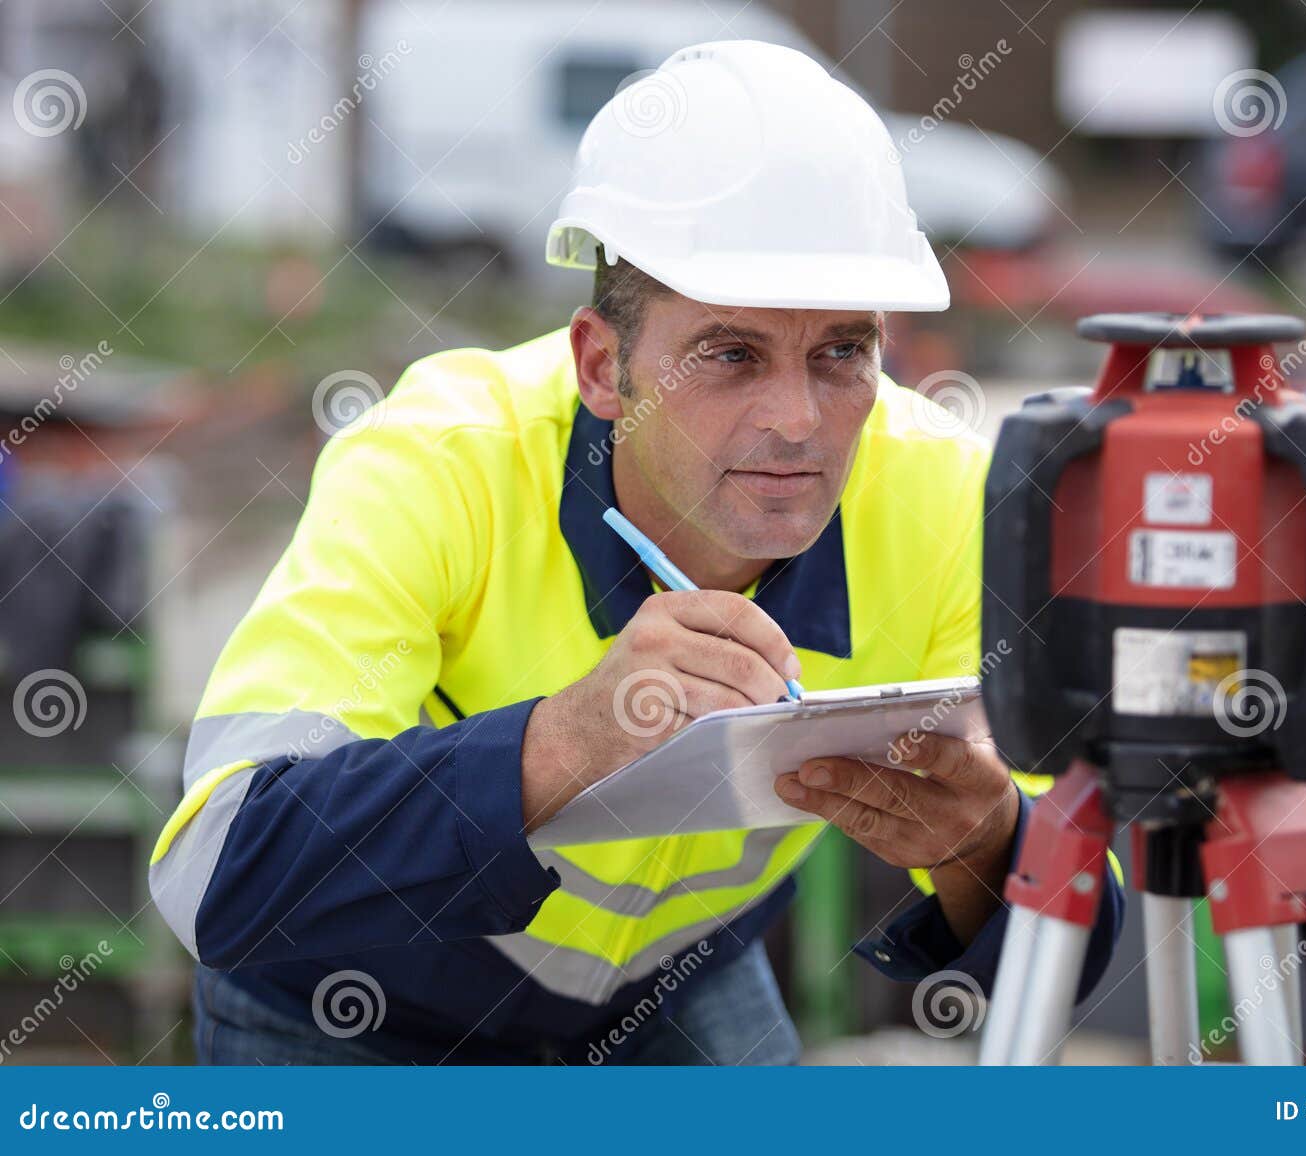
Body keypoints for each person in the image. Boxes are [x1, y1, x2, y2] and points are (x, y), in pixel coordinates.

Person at [150, 39, 1122, 1066]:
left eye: (841, 351)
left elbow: (1071, 939)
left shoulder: (949, 501)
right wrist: (566, 739)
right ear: (602, 366)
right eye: (731, 354)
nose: (798, 419)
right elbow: (220, 868)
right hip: (345, 996)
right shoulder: (439, 460)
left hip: (665, 987)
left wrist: (985, 847)